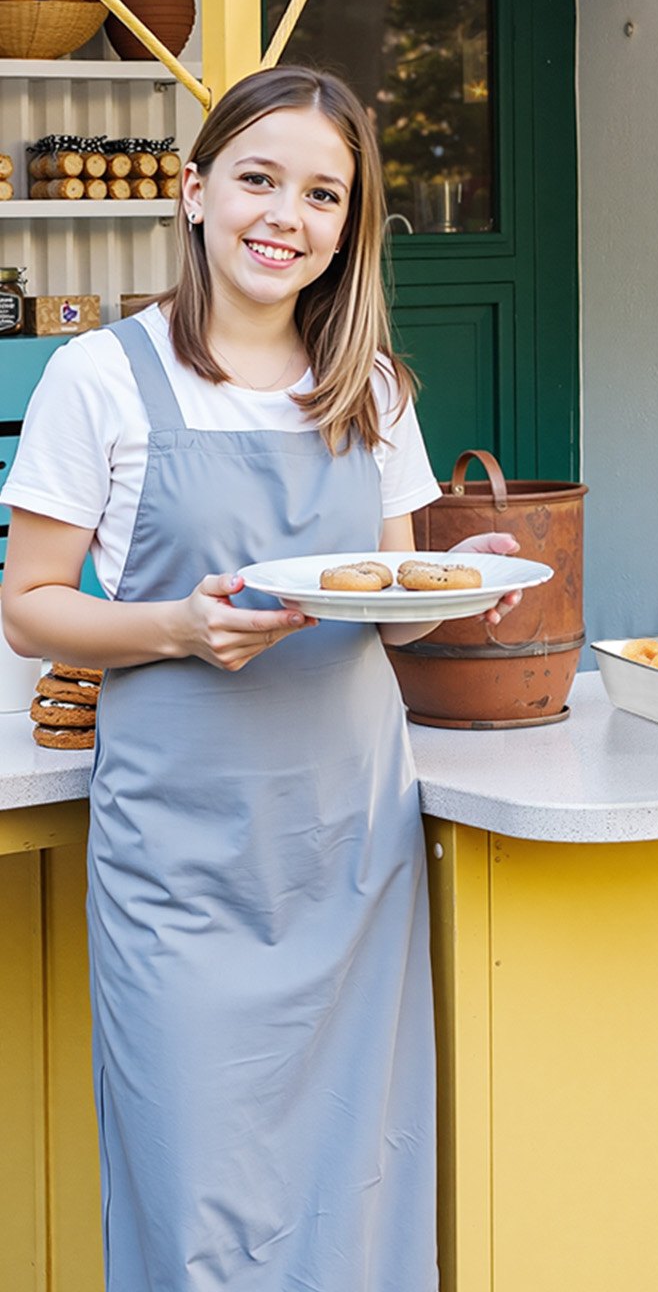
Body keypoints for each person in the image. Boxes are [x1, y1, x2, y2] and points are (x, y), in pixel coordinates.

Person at [1, 65, 518, 1291]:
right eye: (259, 178)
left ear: (350, 226)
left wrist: (458, 581)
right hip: (182, 868)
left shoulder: (373, 387)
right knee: (196, 1215)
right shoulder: (101, 377)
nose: (287, 215)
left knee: (359, 1192)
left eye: (324, 194)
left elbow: (387, 614)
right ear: (192, 193)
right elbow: (29, 608)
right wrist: (178, 628)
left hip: (349, 854)